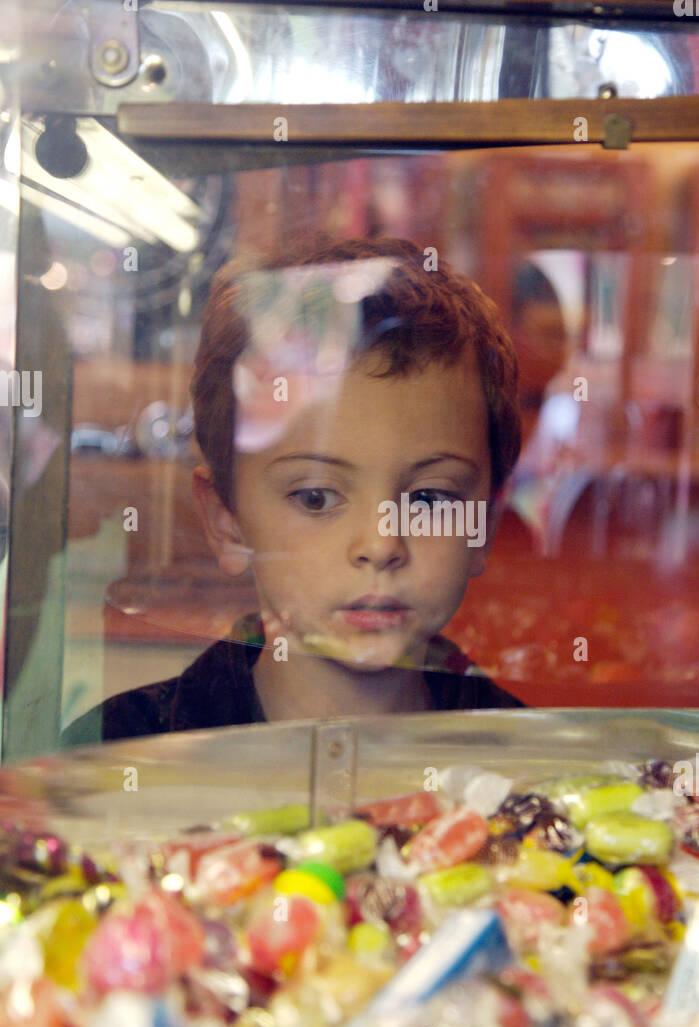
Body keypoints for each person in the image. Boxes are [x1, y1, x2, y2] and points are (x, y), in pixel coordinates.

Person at [61, 234, 525, 745]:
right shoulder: (115, 754)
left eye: (431, 500)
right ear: (226, 520)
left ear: (486, 524)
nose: (381, 545)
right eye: (316, 498)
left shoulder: (540, 767)